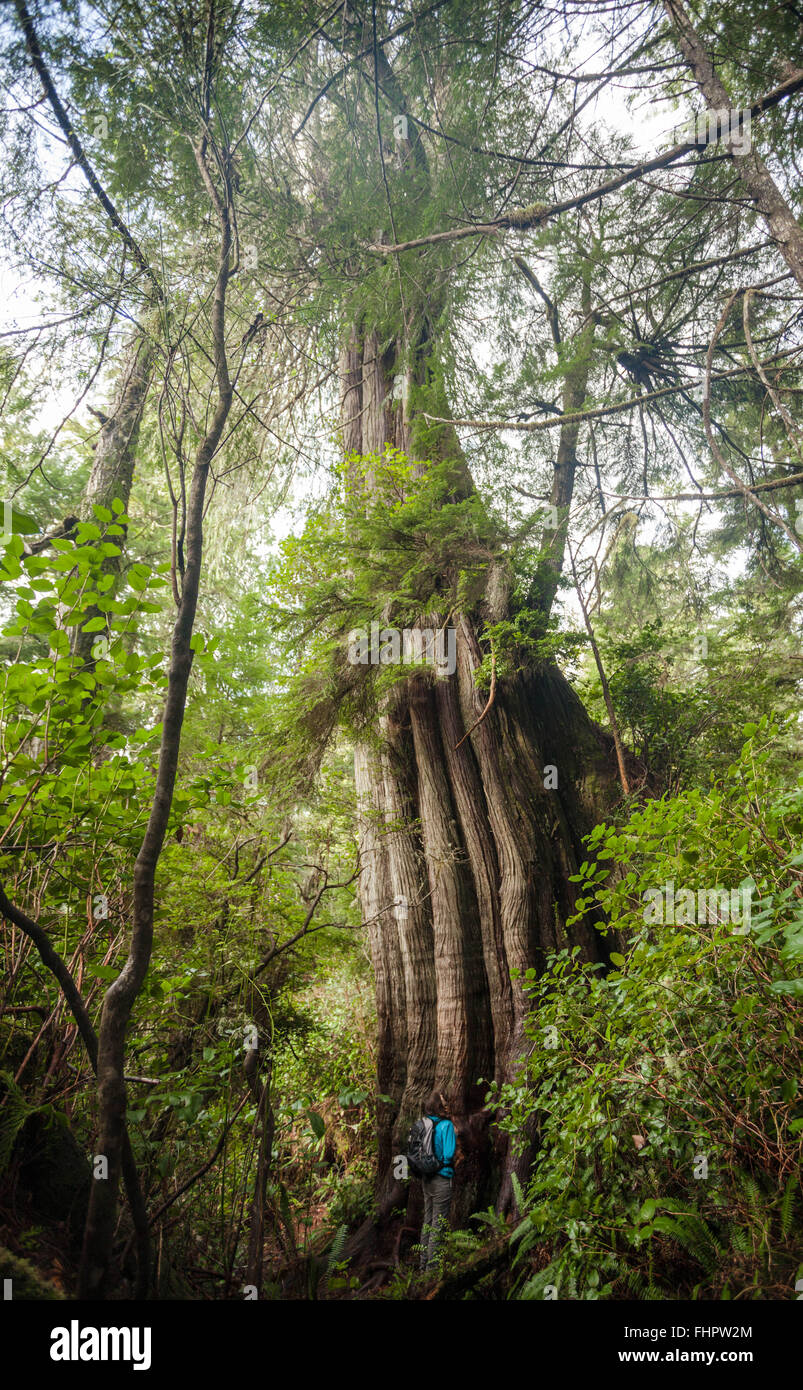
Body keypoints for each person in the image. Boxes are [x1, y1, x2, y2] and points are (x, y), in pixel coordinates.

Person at [419, 1090, 456, 1272]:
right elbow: (449, 1154)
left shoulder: (424, 1124)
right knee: (438, 1224)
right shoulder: (446, 1126)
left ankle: (422, 1263)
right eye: (444, 1101)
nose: (447, 1103)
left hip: (426, 1178)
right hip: (442, 1178)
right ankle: (431, 1271)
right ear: (440, 1106)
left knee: (427, 1220)